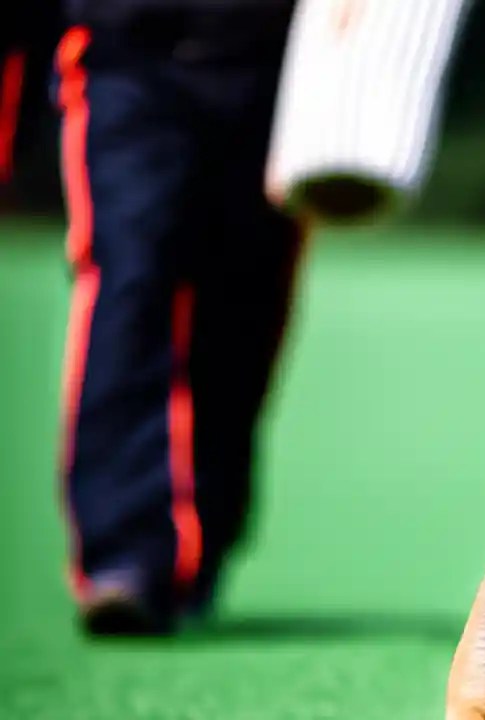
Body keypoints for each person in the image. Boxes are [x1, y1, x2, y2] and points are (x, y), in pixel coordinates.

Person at [54, 0, 306, 636]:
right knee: (130, 278)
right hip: (126, 52)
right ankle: (123, 557)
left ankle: (202, 534)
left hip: (277, 62)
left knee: (244, 303)